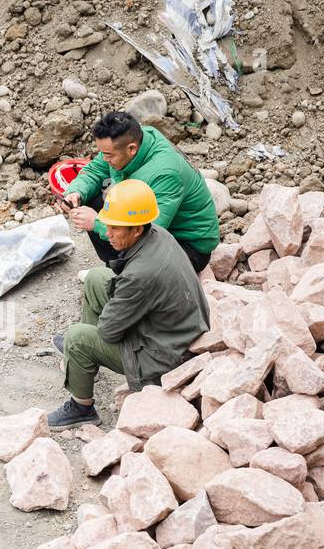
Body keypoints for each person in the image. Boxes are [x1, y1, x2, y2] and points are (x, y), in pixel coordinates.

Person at [47, 179, 210, 430]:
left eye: (115, 229)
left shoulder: (141, 274)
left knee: (78, 337)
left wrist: (107, 324)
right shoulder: (157, 232)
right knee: (96, 278)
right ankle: (84, 364)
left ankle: (82, 407)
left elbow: (108, 331)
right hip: (176, 328)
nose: (108, 233)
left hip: (164, 356)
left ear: (136, 230)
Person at [58, 111, 220, 273]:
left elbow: (151, 231)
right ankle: (116, 270)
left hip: (188, 246)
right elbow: (95, 171)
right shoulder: (133, 140)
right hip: (162, 226)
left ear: (132, 149)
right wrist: (76, 192)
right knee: (93, 199)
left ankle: (124, 280)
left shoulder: (165, 173)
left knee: (108, 221)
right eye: (102, 153)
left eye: (108, 155)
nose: (104, 159)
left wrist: (98, 223)